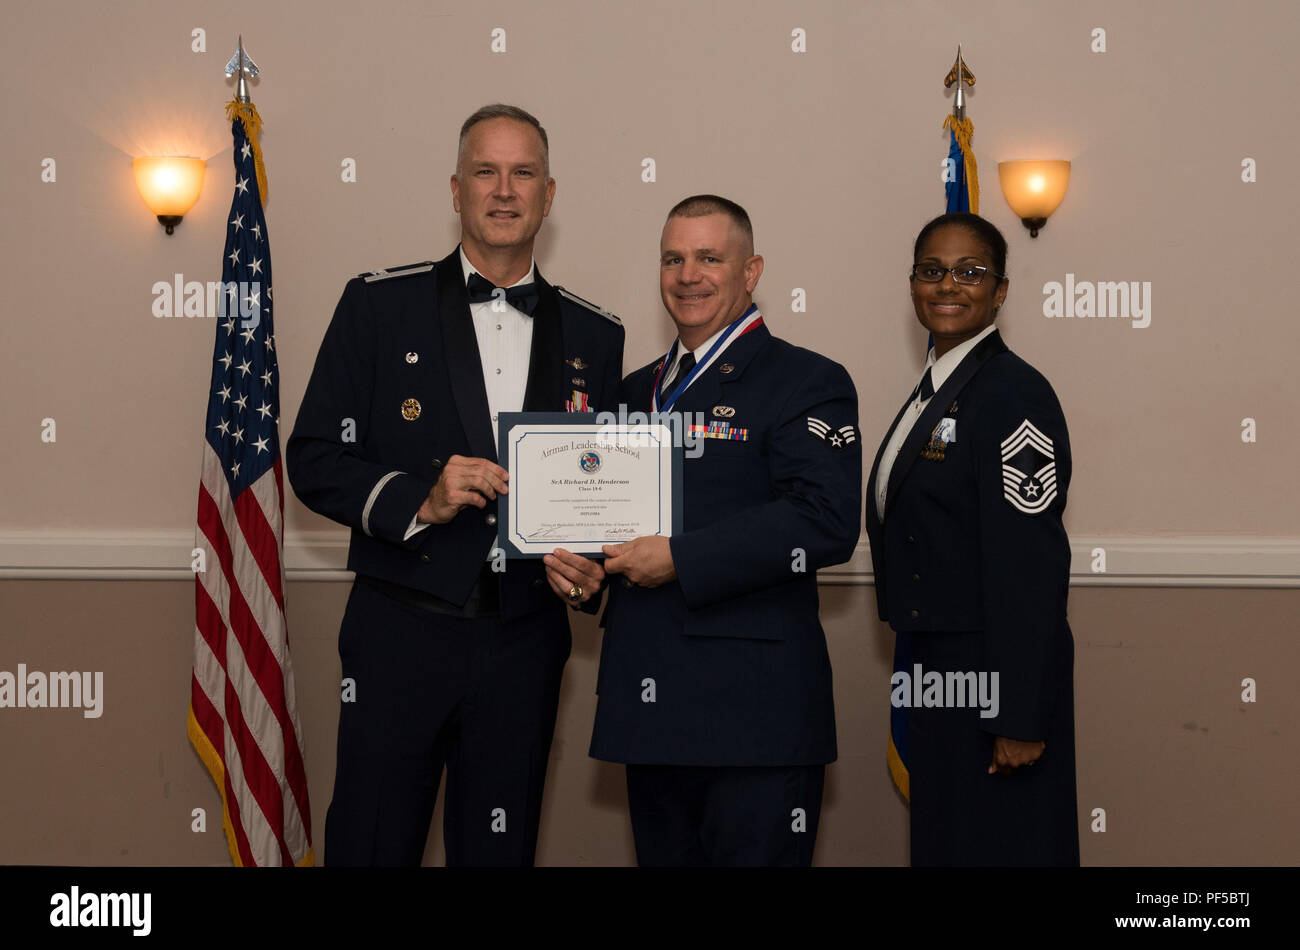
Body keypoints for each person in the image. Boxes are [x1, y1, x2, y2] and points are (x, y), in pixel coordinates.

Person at [286, 104, 624, 866]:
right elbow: (312, 457)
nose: (505, 191)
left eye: (523, 173)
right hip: (398, 631)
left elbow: (599, 488)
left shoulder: (597, 336)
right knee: (372, 846)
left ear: (550, 193)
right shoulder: (378, 304)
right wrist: (421, 500)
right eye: (486, 171)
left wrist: (588, 568)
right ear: (455, 188)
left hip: (526, 643)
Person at [564, 195, 861, 865]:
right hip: (649, 712)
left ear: (750, 270)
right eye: (673, 258)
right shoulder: (630, 391)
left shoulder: (806, 380)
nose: (687, 274)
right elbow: (605, 524)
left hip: (754, 719)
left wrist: (681, 558)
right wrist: (581, 572)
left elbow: (827, 520)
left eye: (708, 257)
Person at [865, 211, 1079, 866]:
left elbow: (1031, 567)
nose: (948, 285)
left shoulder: (1014, 394)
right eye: (932, 270)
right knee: (949, 843)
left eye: (970, 271)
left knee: (1002, 846)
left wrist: (1017, 714)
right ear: (911, 285)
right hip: (939, 669)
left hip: (990, 679)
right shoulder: (941, 386)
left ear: (1002, 290)